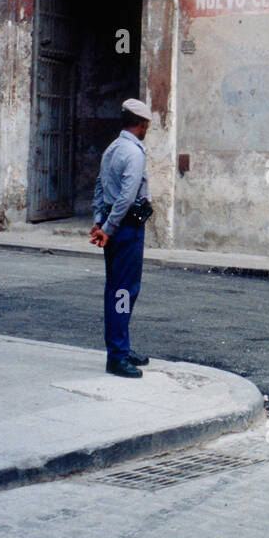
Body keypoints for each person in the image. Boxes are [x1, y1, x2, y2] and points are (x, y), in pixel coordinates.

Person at [90, 98, 154, 378]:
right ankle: (117, 356)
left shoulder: (112, 149)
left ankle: (120, 347)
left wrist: (98, 222)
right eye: (146, 124)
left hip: (112, 227)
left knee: (115, 289)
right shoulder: (135, 153)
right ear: (142, 124)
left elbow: (99, 187)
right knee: (124, 292)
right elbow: (127, 197)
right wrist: (110, 227)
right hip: (126, 230)